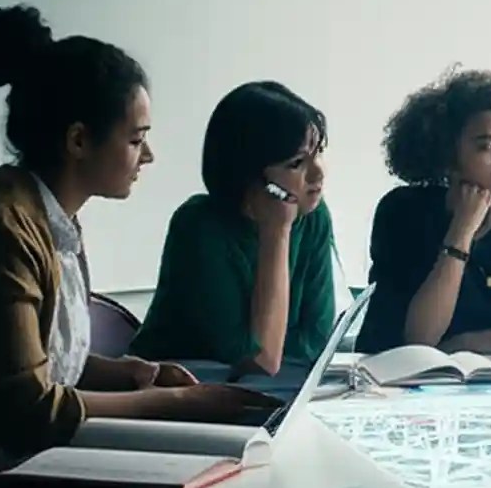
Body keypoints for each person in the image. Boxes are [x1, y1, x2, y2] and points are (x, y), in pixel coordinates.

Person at [0, 5, 277, 488]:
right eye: (136, 139)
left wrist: (131, 374)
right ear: (78, 140)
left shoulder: (48, 217)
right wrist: (176, 404)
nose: (149, 156)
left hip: (25, 470)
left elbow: (40, 359)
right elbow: (29, 409)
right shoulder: (1, 227)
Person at [130, 82, 337, 390]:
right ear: (250, 174)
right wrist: (276, 232)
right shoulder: (199, 225)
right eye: (296, 163)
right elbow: (258, 359)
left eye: (318, 153)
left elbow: (317, 340)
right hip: (177, 391)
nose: (318, 173)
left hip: (268, 387)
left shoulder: (314, 217)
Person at [355, 67, 491, 354]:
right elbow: (421, 338)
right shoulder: (402, 212)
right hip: (397, 373)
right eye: (486, 146)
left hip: (487, 373)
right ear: (447, 156)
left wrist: (470, 343)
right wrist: (462, 230)